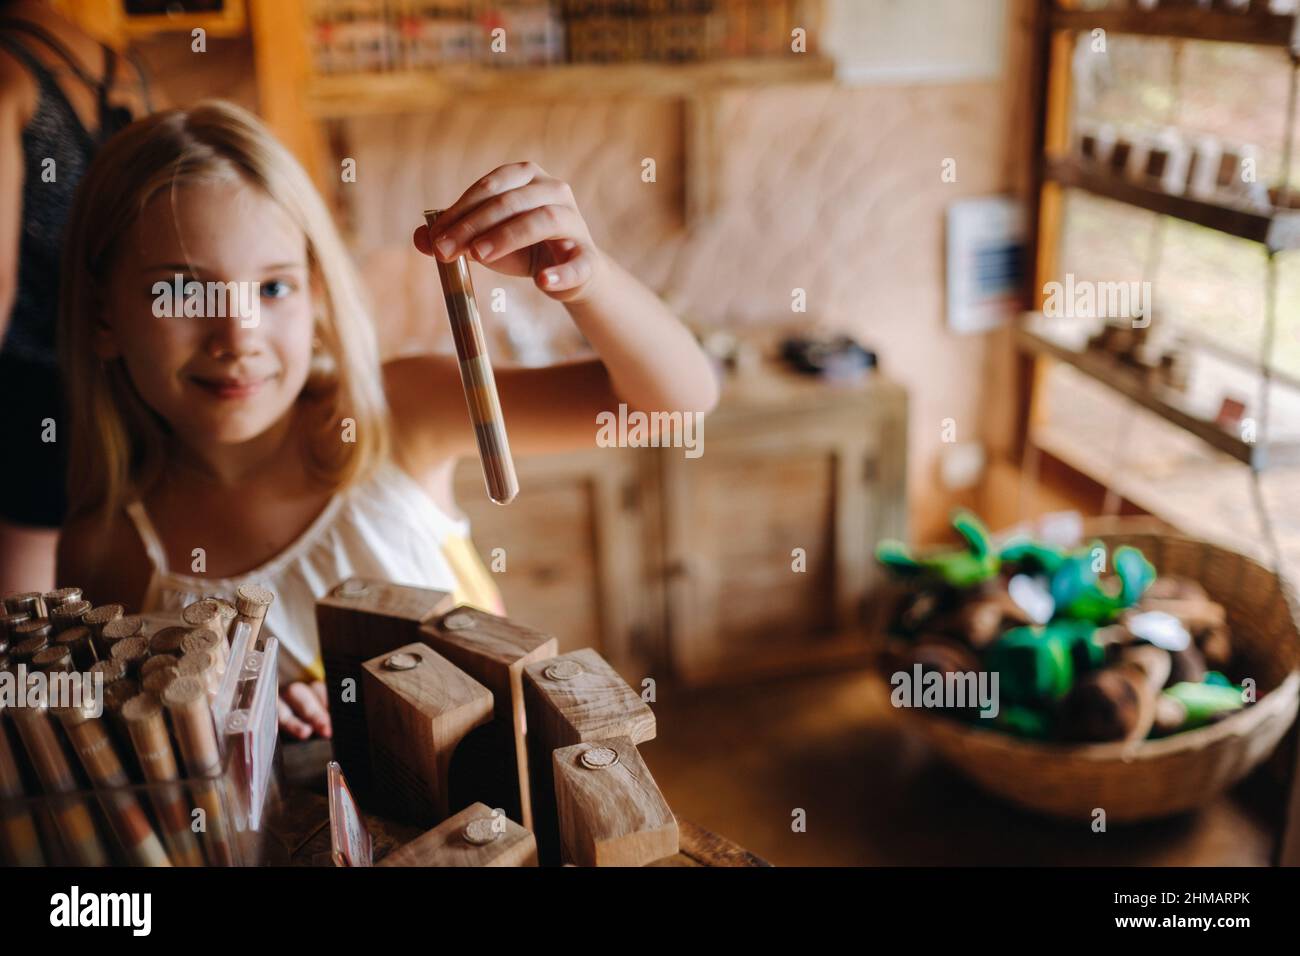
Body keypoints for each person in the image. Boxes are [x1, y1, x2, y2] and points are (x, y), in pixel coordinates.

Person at [54, 100, 718, 739]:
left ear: (316, 296)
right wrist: (255, 724)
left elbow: (670, 409)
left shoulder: (396, 412)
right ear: (104, 314)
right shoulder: (104, 545)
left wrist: (585, 279)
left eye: (273, 287)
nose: (238, 335)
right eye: (182, 290)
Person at [0, 1, 151, 596]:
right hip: (126, 385)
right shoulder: (124, 70)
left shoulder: (8, 73)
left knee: (25, 650)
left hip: (28, 394)